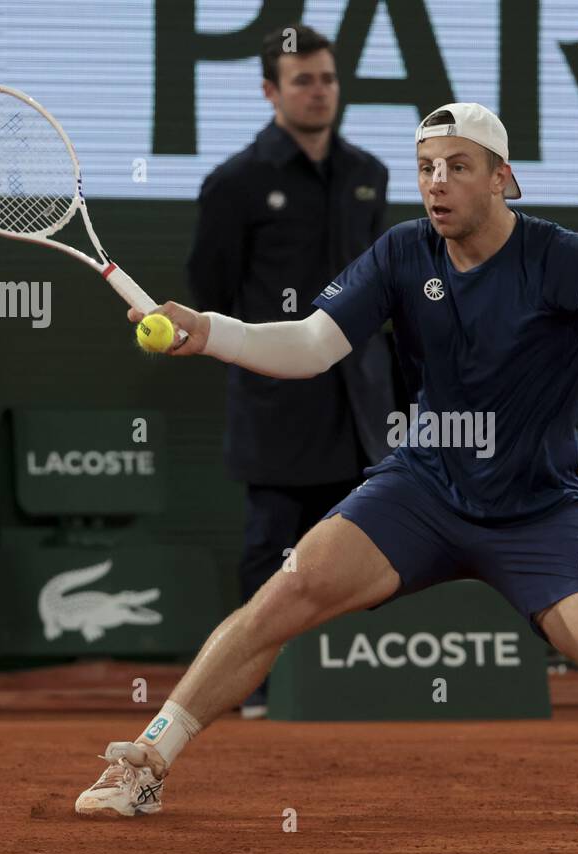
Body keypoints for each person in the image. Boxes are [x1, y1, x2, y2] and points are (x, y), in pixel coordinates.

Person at [76, 103, 578, 819]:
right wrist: (208, 329)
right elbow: (313, 346)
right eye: (425, 167)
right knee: (285, 594)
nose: (436, 182)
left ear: (503, 178)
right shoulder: (399, 254)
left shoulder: (567, 259)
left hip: (539, 511)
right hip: (421, 487)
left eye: (456, 166)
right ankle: (148, 759)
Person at [186, 24, 395, 718]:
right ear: (271, 91)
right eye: (302, 80)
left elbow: (383, 291)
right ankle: (259, 691)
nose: (318, 91)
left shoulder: (370, 175)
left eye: (327, 78)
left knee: (358, 554)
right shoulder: (235, 184)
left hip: (360, 406)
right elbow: (212, 293)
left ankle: (338, 685)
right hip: (276, 405)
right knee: (271, 553)